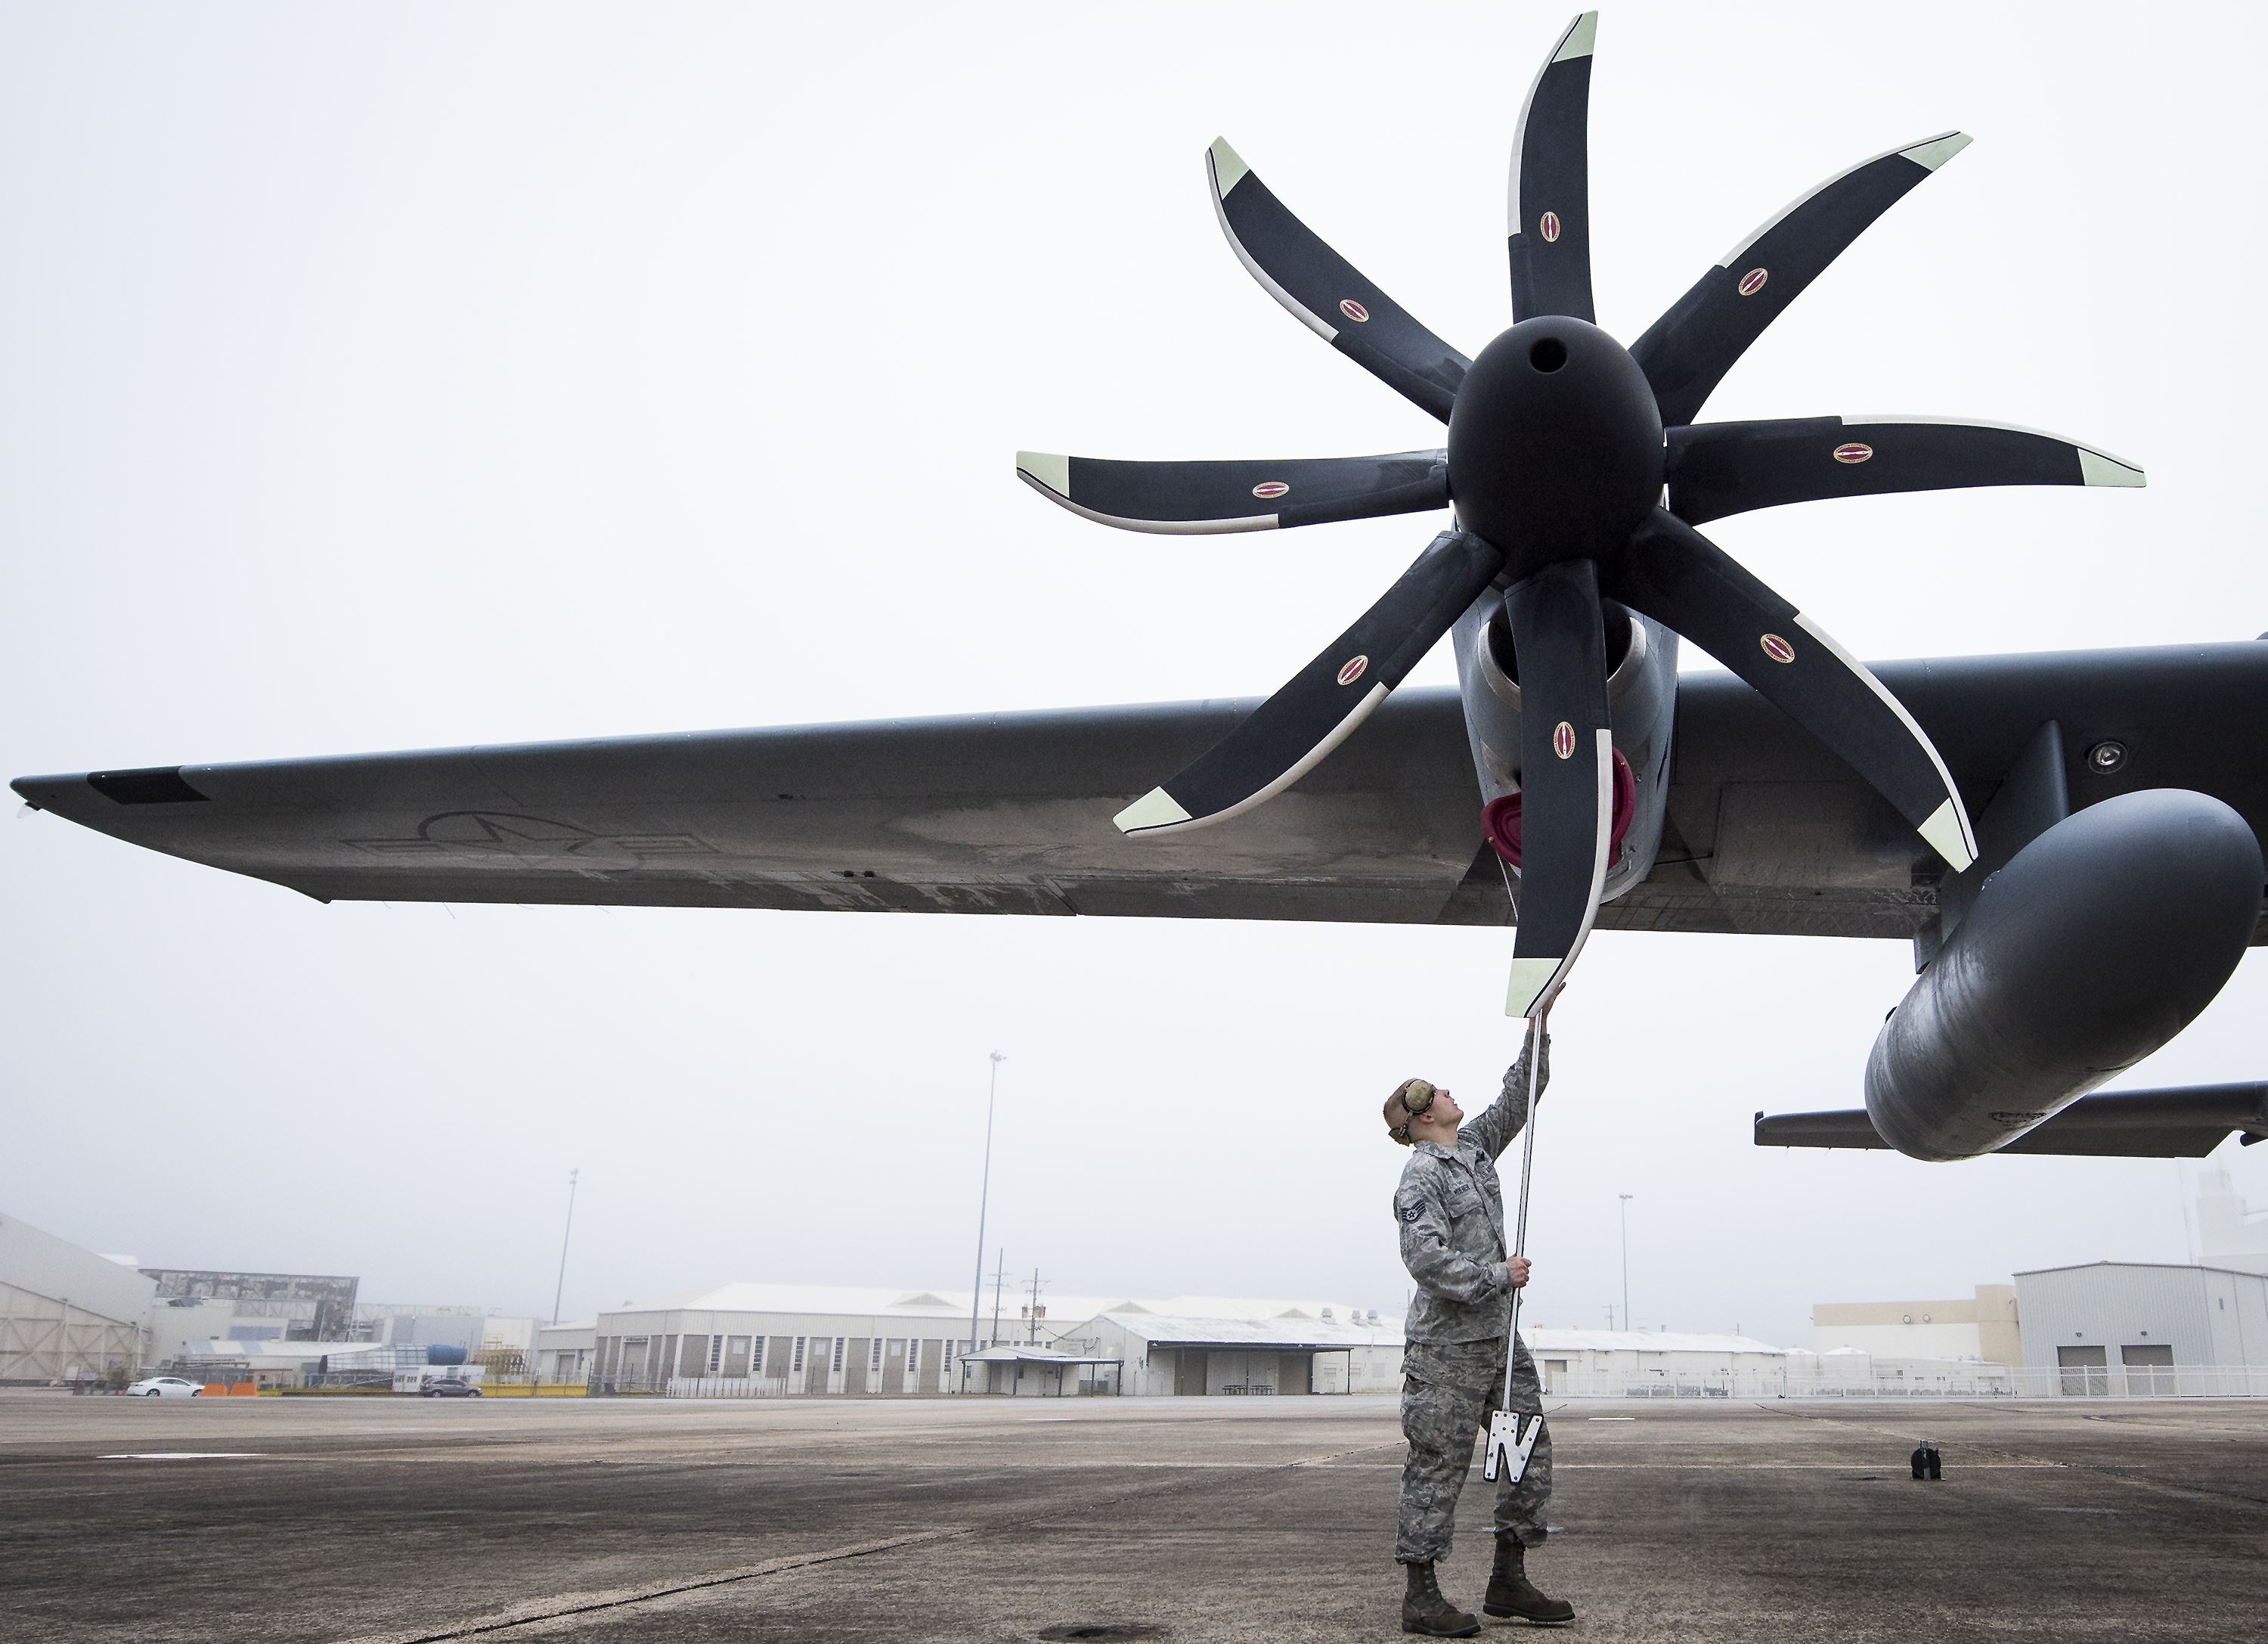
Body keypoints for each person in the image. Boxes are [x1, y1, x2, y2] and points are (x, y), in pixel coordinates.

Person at [1383, 1014, 1575, 1636]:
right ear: (1421, 1114)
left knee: (1524, 1449)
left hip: (1498, 1341)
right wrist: (1495, 1276)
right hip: (1447, 1351)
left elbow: (1518, 1099)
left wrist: (1538, 1029)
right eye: (1437, 1091)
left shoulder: (1473, 1149)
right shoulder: (1422, 1175)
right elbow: (1426, 1259)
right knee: (1439, 1464)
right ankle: (1421, 1597)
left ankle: (1508, 1580)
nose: (1449, 1093)